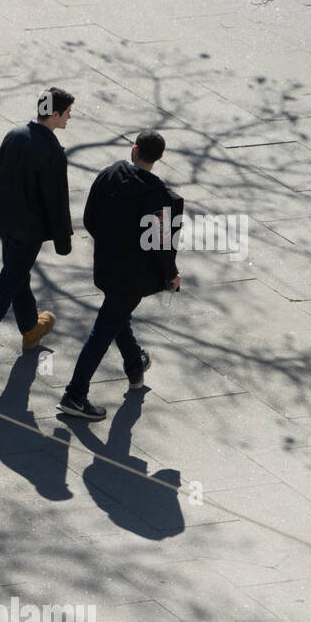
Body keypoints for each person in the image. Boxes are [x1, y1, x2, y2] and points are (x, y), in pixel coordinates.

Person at [57, 131, 183, 421]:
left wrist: (108, 244)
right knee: (104, 328)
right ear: (160, 157)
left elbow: (89, 218)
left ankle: (135, 364)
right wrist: (172, 274)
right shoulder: (158, 196)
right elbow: (160, 244)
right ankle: (74, 395)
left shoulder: (109, 174)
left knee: (116, 315)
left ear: (134, 149)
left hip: (106, 265)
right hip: (133, 275)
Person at [0, 86, 76, 381]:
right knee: (6, 287)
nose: (69, 117)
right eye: (66, 112)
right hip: (28, 231)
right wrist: (64, 241)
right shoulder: (52, 151)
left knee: (16, 278)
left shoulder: (14, 135)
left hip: (8, 225)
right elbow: (56, 201)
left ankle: (30, 330)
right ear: (54, 113)